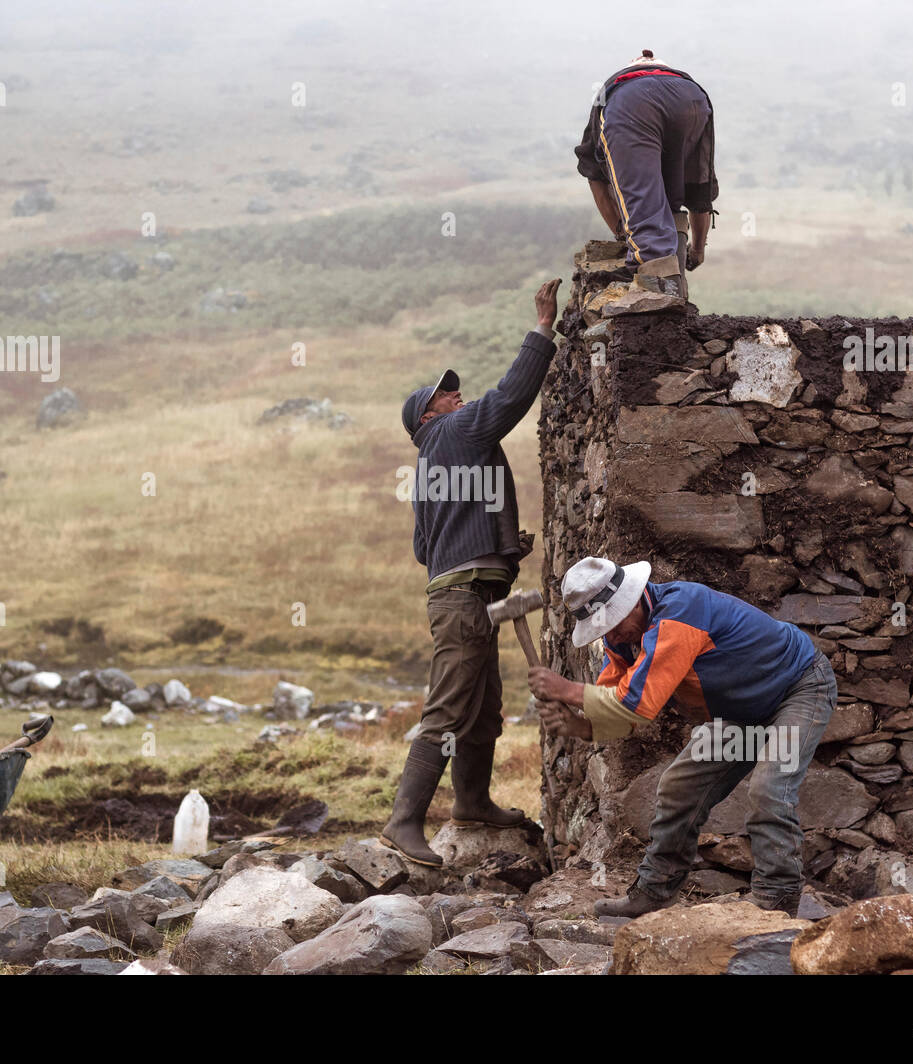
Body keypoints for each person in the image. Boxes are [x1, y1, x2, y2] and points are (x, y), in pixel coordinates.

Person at [527, 556, 837, 917]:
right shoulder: (623, 641)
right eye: (603, 631)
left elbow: (635, 703)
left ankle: (777, 898)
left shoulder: (679, 613)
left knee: (769, 789)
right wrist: (577, 725)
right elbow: (621, 713)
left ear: (634, 599)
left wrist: (566, 690)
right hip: (743, 714)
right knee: (679, 786)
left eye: (613, 624)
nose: (611, 636)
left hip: (798, 688)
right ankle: (655, 891)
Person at [380, 278, 562, 867]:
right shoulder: (456, 431)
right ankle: (403, 822)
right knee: (451, 705)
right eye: (445, 395)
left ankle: (473, 801)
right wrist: (542, 330)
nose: (457, 397)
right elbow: (511, 397)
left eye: (454, 393)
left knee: (483, 705)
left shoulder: (430, 466)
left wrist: (495, 541)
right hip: (464, 602)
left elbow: (422, 547)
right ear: (427, 418)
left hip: (461, 594)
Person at [574, 49, 718, 306]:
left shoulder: (615, 93)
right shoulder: (681, 83)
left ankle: (656, 301)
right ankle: (675, 283)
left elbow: (594, 175)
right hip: (693, 99)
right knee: (673, 193)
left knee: (641, 196)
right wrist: (697, 250)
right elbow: (700, 185)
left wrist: (622, 232)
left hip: (632, 102)